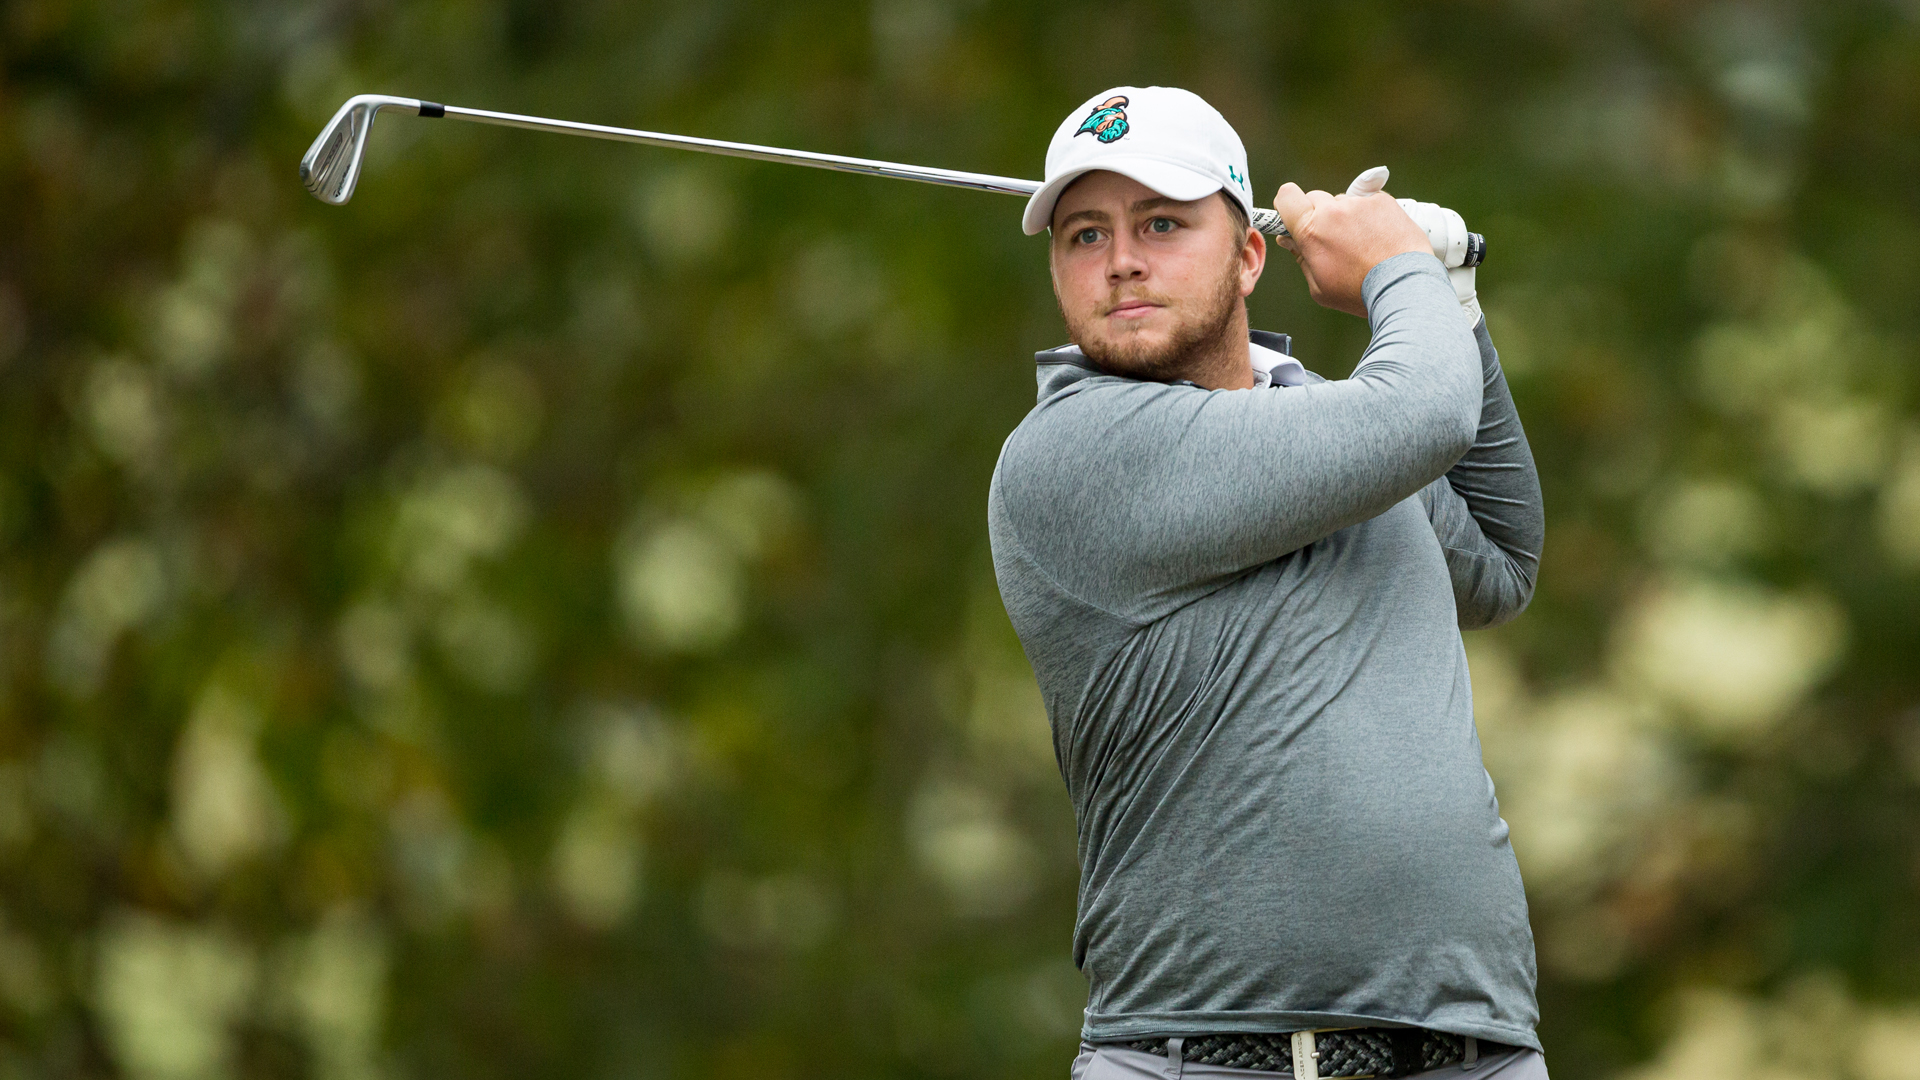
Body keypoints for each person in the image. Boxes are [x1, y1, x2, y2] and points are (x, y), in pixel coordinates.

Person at [987, 86, 1548, 1079]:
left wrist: (1451, 298)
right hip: (1199, 1057)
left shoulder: (1332, 425)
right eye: (1085, 234)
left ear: (1250, 254)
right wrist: (1398, 265)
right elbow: (1424, 415)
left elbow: (1501, 563)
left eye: (1161, 223)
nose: (1121, 260)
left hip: (1472, 1051)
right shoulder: (1071, 452)